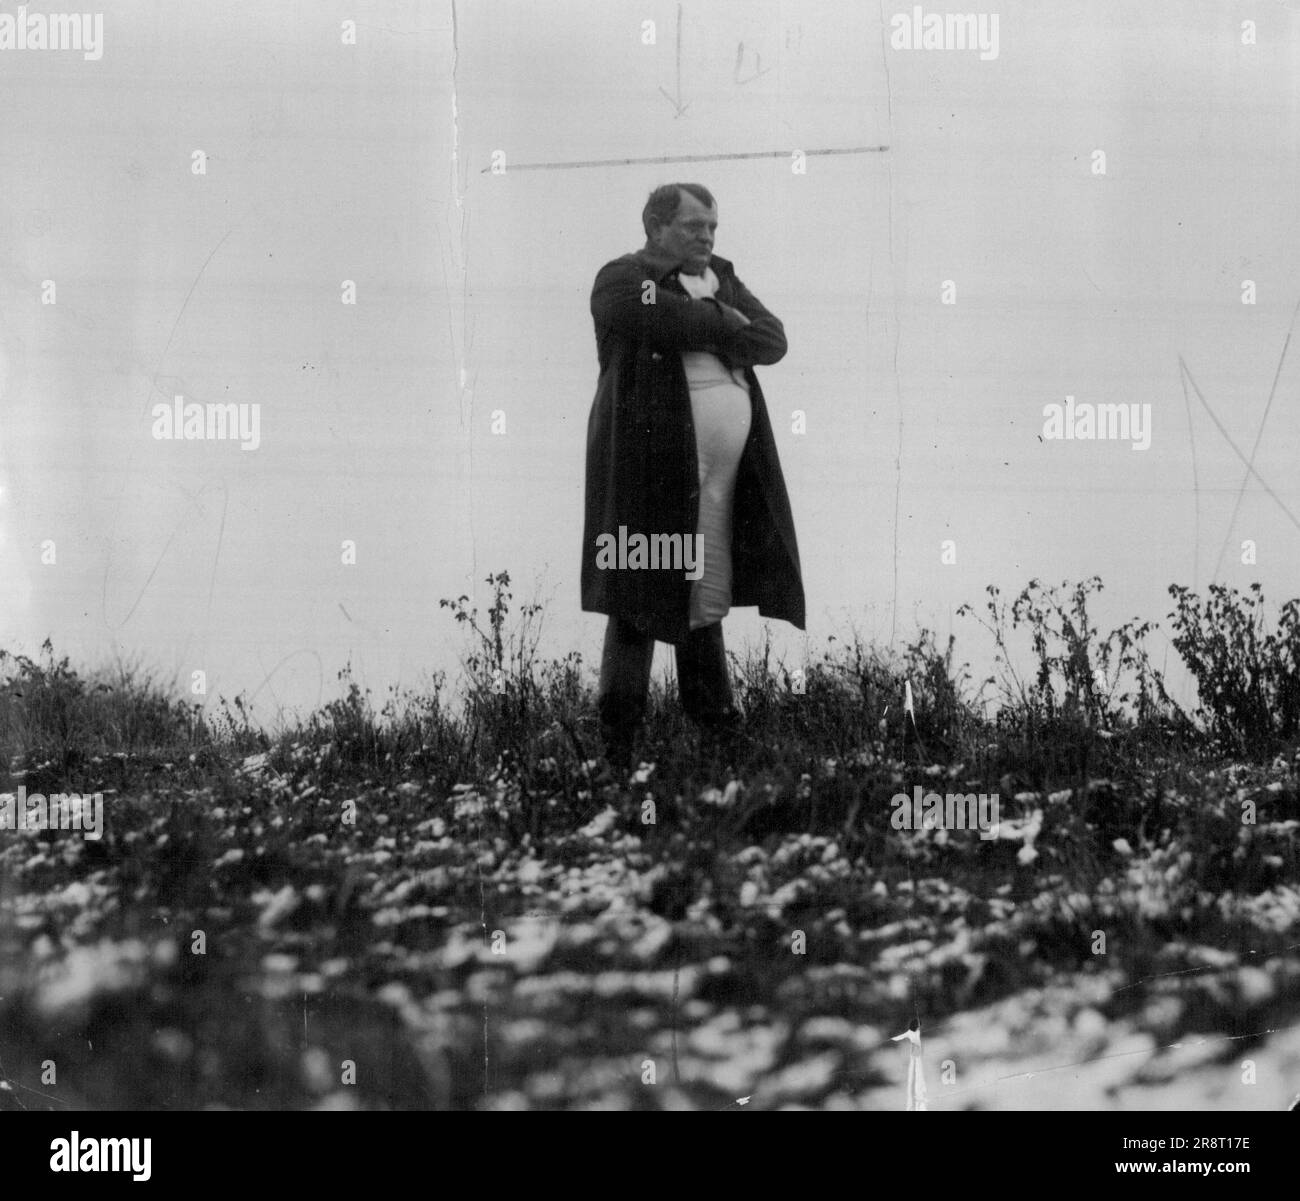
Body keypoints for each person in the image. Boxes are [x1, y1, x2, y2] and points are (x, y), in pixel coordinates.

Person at [581, 183, 805, 765]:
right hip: (646, 474)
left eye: (712, 227)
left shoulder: (722, 277)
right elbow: (661, 317)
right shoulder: (622, 277)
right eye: (692, 226)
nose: (706, 237)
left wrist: (710, 319)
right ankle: (619, 750)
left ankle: (717, 742)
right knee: (637, 594)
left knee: (704, 595)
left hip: (721, 481)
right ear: (656, 227)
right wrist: (722, 320)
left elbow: (772, 338)